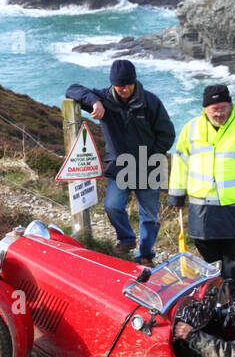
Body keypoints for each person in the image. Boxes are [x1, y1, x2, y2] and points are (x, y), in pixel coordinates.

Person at [66, 59, 176, 264]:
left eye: (127, 84)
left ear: (134, 81)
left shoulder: (151, 102)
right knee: (112, 206)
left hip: (148, 165)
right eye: (119, 84)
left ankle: (145, 255)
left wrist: (152, 155)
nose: (124, 88)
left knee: (149, 216)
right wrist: (95, 102)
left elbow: (168, 134)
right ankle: (126, 239)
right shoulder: (104, 98)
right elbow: (72, 89)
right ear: (112, 83)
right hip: (120, 166)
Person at [165, 84, 235, 291]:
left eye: (223, 108)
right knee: (206, 250)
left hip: (233, 204)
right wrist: (176, 195)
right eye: (215, 109)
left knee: (233, 253)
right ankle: (215, 289)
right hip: (200, 205)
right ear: (205, 109)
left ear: (231, 106)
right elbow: (180, 164)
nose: (219, 113)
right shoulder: (191, 128)